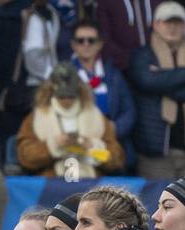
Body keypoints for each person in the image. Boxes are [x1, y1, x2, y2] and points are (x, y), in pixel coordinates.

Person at [128, 2, 185, 181]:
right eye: (167, 22)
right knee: (156, 205)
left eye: (177, 22)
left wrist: (163, 84)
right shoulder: (142, 55)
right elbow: (146, 81)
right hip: (155, 153)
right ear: (155, 24)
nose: (172, 27)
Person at [15, 61, 125, 177]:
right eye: (62, 96)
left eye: (71, 96)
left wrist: (92, 146)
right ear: (51, 91)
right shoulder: (35, 118)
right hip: (52, 182)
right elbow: (25, 156)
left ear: (79, 91)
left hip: (91, 183)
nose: (66, 100)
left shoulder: (97, 116)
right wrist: (53, 145)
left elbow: (117, 159)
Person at [68, 17, 135, 156]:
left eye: (91, 40)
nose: (86, 44)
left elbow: (129, 111)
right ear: (73, 45)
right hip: (76, 147)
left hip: (111, 145)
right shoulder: (64, 75)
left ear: (99, 44)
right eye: (80, 40)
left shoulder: (113, 74)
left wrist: (112, 130)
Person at [94, 0, 154, 72]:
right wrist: (126, 59)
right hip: (122, 60)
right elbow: (103, 36)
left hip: (155, 56)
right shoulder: (106, 3)